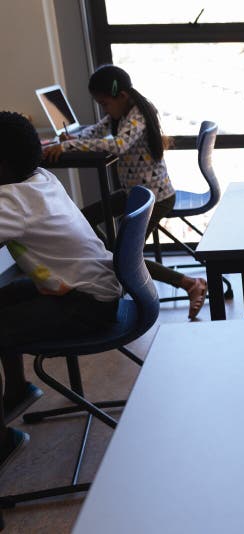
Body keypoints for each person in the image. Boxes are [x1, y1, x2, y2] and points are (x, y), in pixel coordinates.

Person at [0, 111, 122, 468]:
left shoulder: (11, 201)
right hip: (93, 291)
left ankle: (2, 442)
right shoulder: (40, 179)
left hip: (83, 305)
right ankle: (18, 389)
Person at [42, 65, 207, 320]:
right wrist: (65, 141)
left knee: (127, 260)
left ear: (121, 96)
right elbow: (96, 131)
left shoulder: (138, 113)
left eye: (105, 103)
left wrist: (71, 144)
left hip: (155, 197)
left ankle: (189, 283)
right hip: (134, 193)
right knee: (83, 220)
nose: (105, 110)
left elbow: (119, 145)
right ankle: (110, 255)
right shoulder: (121, 112)